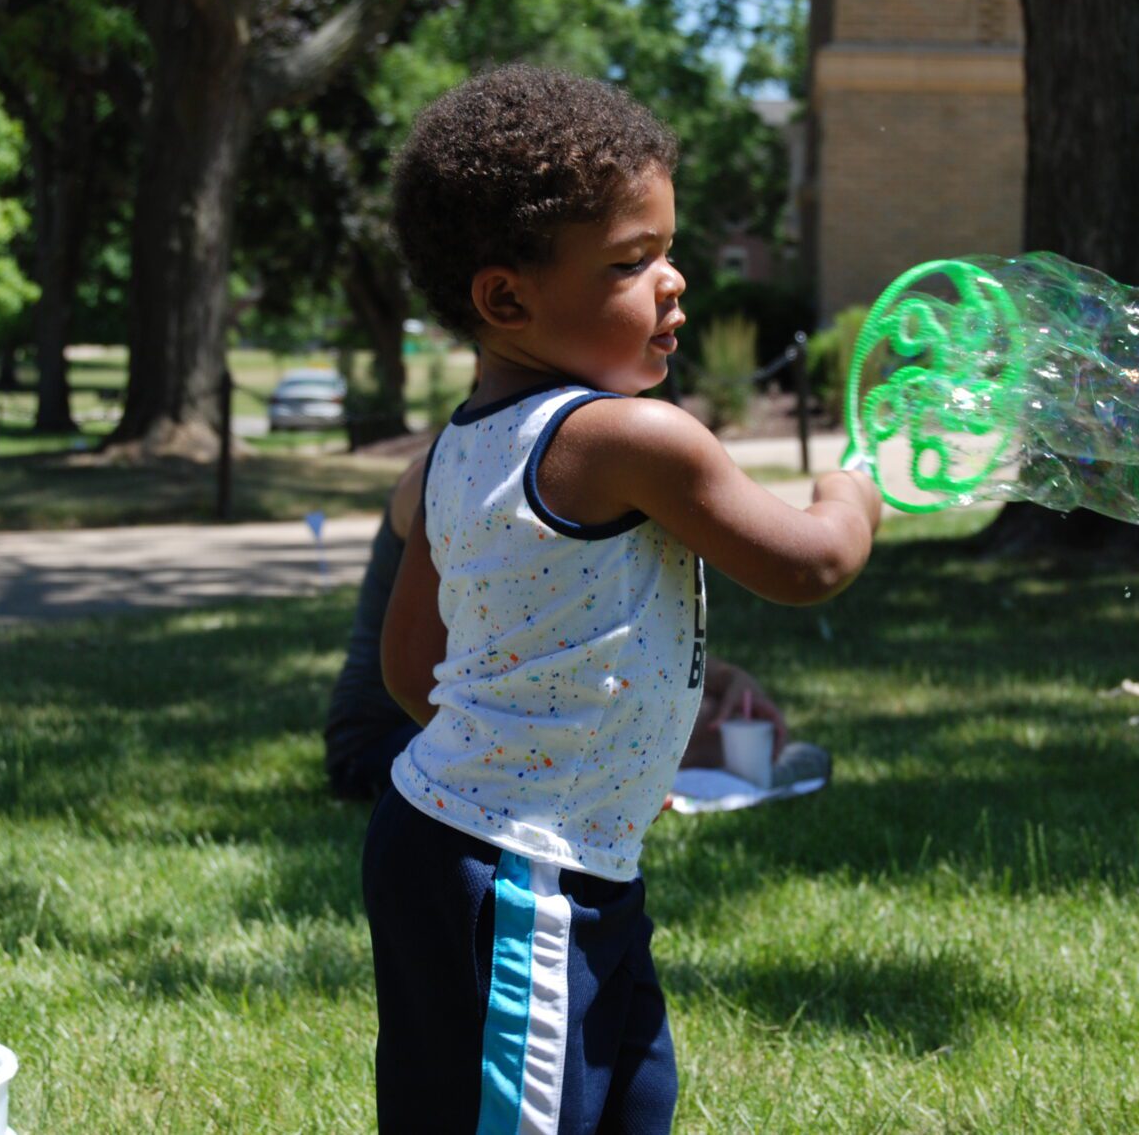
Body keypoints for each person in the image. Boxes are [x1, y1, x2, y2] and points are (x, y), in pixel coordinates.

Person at [363, 64, 882, 1134]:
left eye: (668, 250)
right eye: (630, 260)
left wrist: (591, 745)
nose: (674, 281)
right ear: (506, 299)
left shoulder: (450, 453)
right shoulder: (628, 437)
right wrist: (851, 491)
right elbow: (810, 565)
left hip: (519, 852)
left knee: (629, 1103)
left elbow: (411, 670)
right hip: (520, 870)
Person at [324, 447, 810, 804]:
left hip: (492, 723)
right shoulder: (454, 470)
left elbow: (567, 637)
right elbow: (446, 672)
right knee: (667, 732)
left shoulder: (546, 470)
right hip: (386, 740)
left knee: (693, 721)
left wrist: (716, 680)